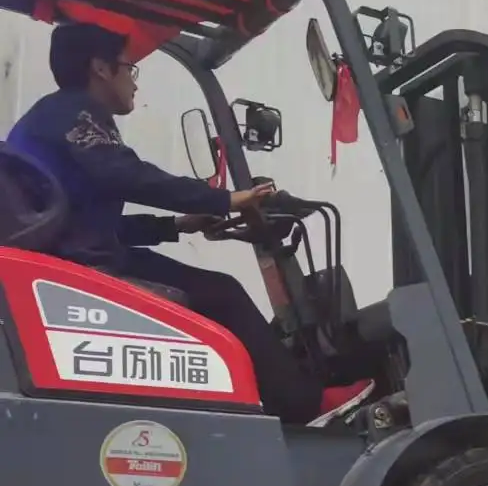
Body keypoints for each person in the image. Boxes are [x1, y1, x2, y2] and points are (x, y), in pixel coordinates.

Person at [6, 23, 373, 426]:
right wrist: (224, 199)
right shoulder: (75, 113)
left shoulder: (49, 119)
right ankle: (303, 406)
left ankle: (278, 396)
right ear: (101, 69)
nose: (135, 82)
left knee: (215, 291)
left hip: (73, 261)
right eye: (130, 68)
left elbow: (86, 223)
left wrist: (178, 225)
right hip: (81, 270)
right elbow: (128, 176)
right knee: (223, 293)